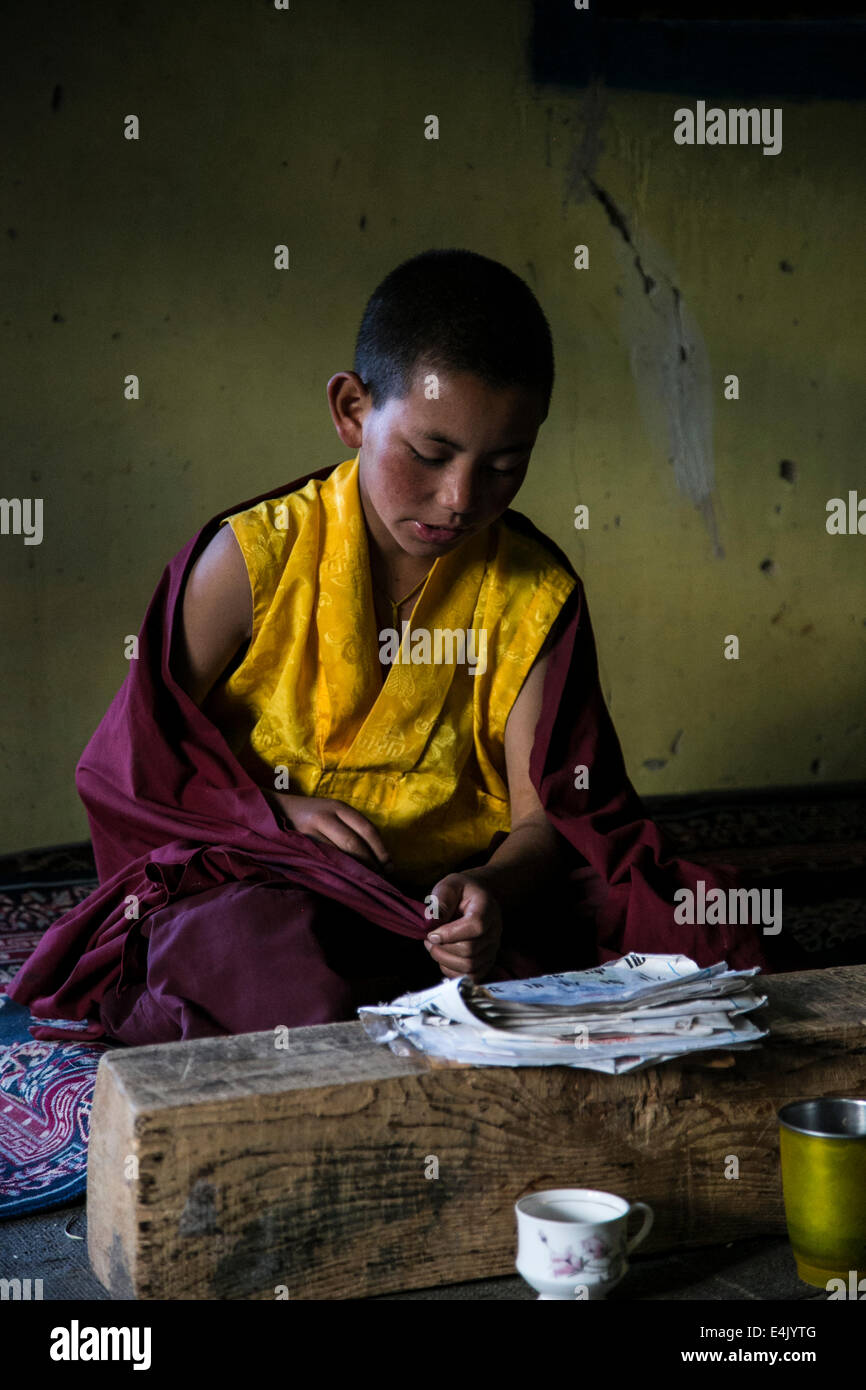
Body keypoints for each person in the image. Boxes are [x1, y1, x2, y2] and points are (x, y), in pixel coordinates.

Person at [4, 250, 768, 1045]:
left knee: (714, 940)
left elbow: (551, 820)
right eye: (430, 454)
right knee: (260, 959)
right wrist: (272, 815)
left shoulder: (531, 593)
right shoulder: (251, 561)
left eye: (506, 465)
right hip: (269, 882)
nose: (461, 498)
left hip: (443, 903)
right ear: (351, 409)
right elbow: (135, 772)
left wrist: (489, 890)